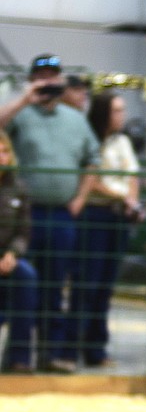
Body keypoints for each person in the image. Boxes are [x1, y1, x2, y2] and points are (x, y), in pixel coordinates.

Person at [0, 53, 101, 373]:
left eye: (53, 76)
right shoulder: (18, 112)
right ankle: (19, 357)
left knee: (55, 285)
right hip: (21, 212)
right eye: (41, 76)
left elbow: (92, 160)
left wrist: (80, 199)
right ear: (32, 80)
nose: (48, 82)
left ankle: (51, 352)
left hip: (61, 213)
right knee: (22, 282)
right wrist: (23, 101)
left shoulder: (75, 119)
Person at [72, 92, 142, 368]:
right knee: (86, 283)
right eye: (116, 111)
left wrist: (131, 201)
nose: (122, 117)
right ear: (103, 113)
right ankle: (73, 343)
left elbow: (132, 174)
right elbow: (90, 178)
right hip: (96, 213)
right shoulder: (89, 139)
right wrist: (118, 195)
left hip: (118, 216)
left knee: (105, 284)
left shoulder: (123, 141)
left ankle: (96, 347)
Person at [0, 128, 37, 373]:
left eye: (5, 151)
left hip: (8, 257)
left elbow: (24, 232)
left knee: (27, 276)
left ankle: (19, 358)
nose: (2, 157)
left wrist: (12, 254)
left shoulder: (18, 187)